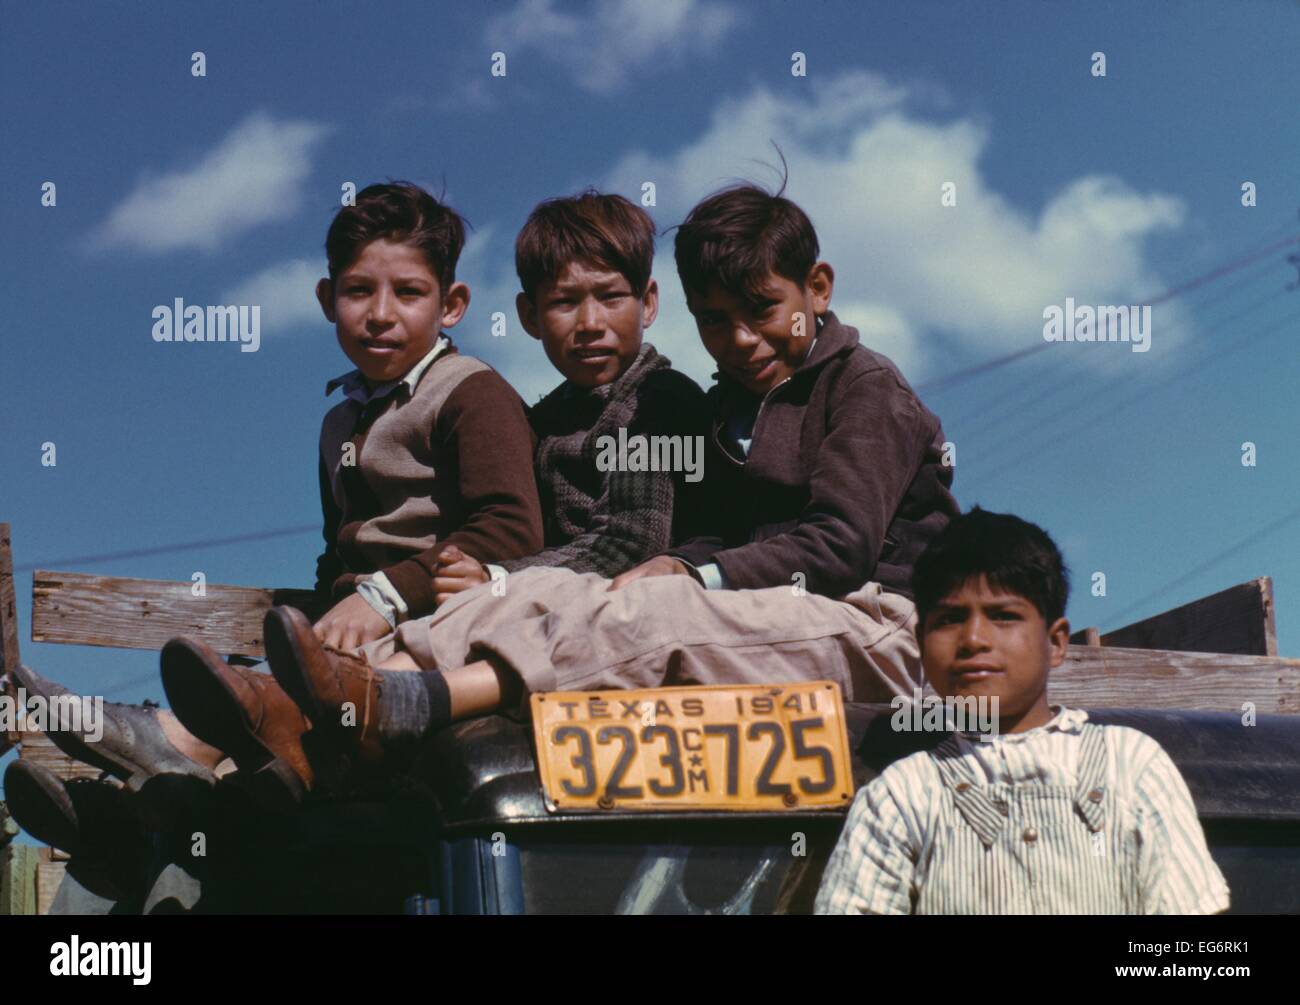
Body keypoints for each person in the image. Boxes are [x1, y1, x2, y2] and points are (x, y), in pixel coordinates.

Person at [259, 179, 960, 775]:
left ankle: (413, 697)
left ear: (819, 287)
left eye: (763, 310)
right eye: (715, 320)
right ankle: (297, 708)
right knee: (545, 598)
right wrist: (685, 563)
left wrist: (686, 572)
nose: (742, 338)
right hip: (781, 617)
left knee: (634, 609)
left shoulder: (858, 387)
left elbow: (837, 545)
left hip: (883, 622)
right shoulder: (731, 407)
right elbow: (718, 532)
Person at [11, 181, 544, 812]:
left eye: (408, 293)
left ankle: (167, 746)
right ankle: (127, 822)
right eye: (357, 291)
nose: (380, 313)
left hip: (438, 625)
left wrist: (386, 592)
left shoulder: (471, 394)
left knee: (263, 715)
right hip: (353, 639)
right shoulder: (339, 423)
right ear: (326, 298)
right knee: (265, 725)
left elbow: (511, 528)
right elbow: (334, 553)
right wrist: (325, 617)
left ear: (451, 304)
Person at [813, 508, 1230, 915]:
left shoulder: (1131, 765)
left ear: (1056, 643)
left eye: (1003, 616)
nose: (973, 639)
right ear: (922, 643)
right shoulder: (901, 798)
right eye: (950, 619)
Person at [432, 189, 709, 599]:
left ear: (648, 303)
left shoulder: (659, 401)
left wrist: (496, 580)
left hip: (644, 606)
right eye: (564, 301)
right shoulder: (546, 417)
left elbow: (630, 546)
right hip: (560, 601)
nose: (590, 323)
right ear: (530, 316)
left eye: (611, 296)